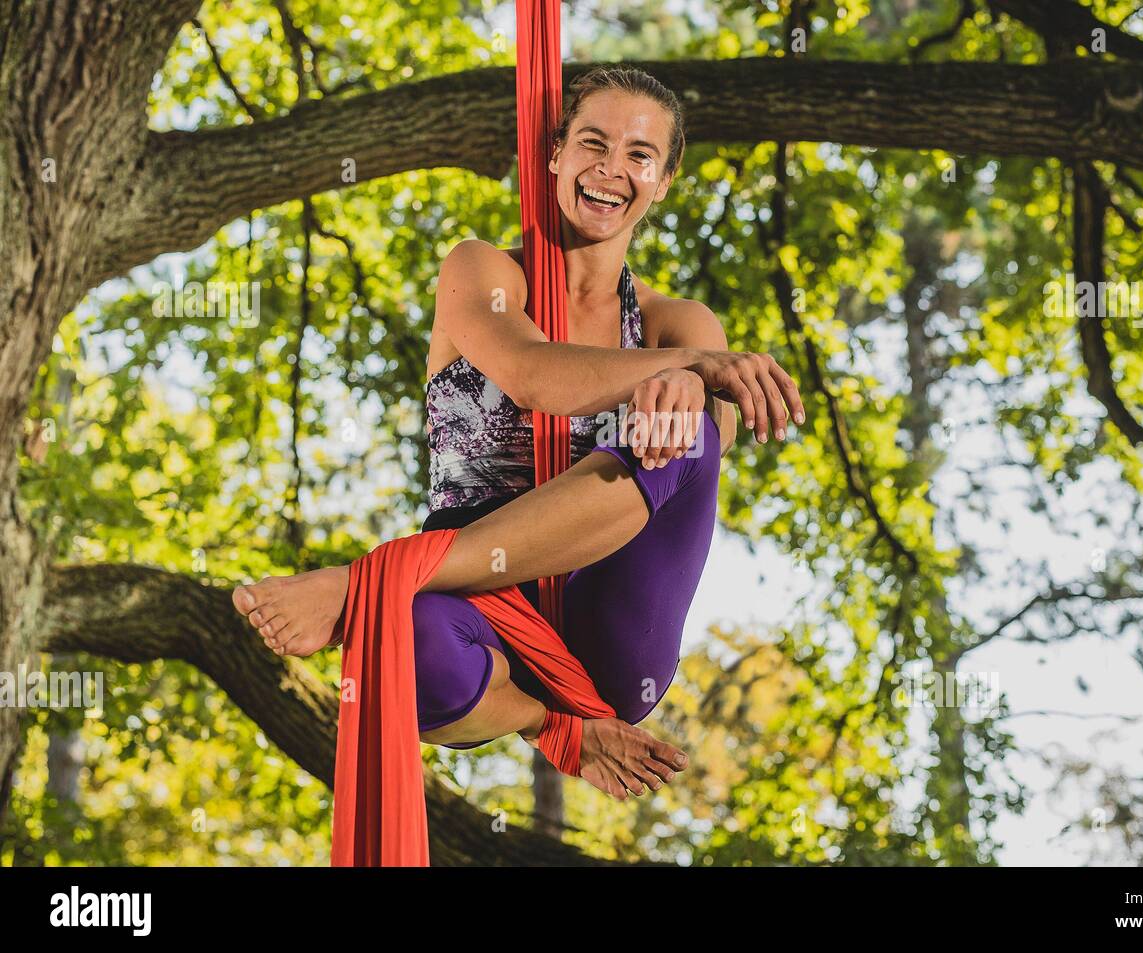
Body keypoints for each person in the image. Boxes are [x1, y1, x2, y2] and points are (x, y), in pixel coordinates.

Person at [232, 66, 805, 800]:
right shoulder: (483, 271)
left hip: (612, 623)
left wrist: (690, 379)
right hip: (481, 601)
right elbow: (533, 376)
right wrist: (694, 365)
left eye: (639, 155)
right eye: (593, 143)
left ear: (663, 181)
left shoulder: (676, 323)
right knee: (403, 649)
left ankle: (366, 583)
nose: (611, 169)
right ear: (555, 156)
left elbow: (701, 456)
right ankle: (551, 722)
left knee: (687, 427)